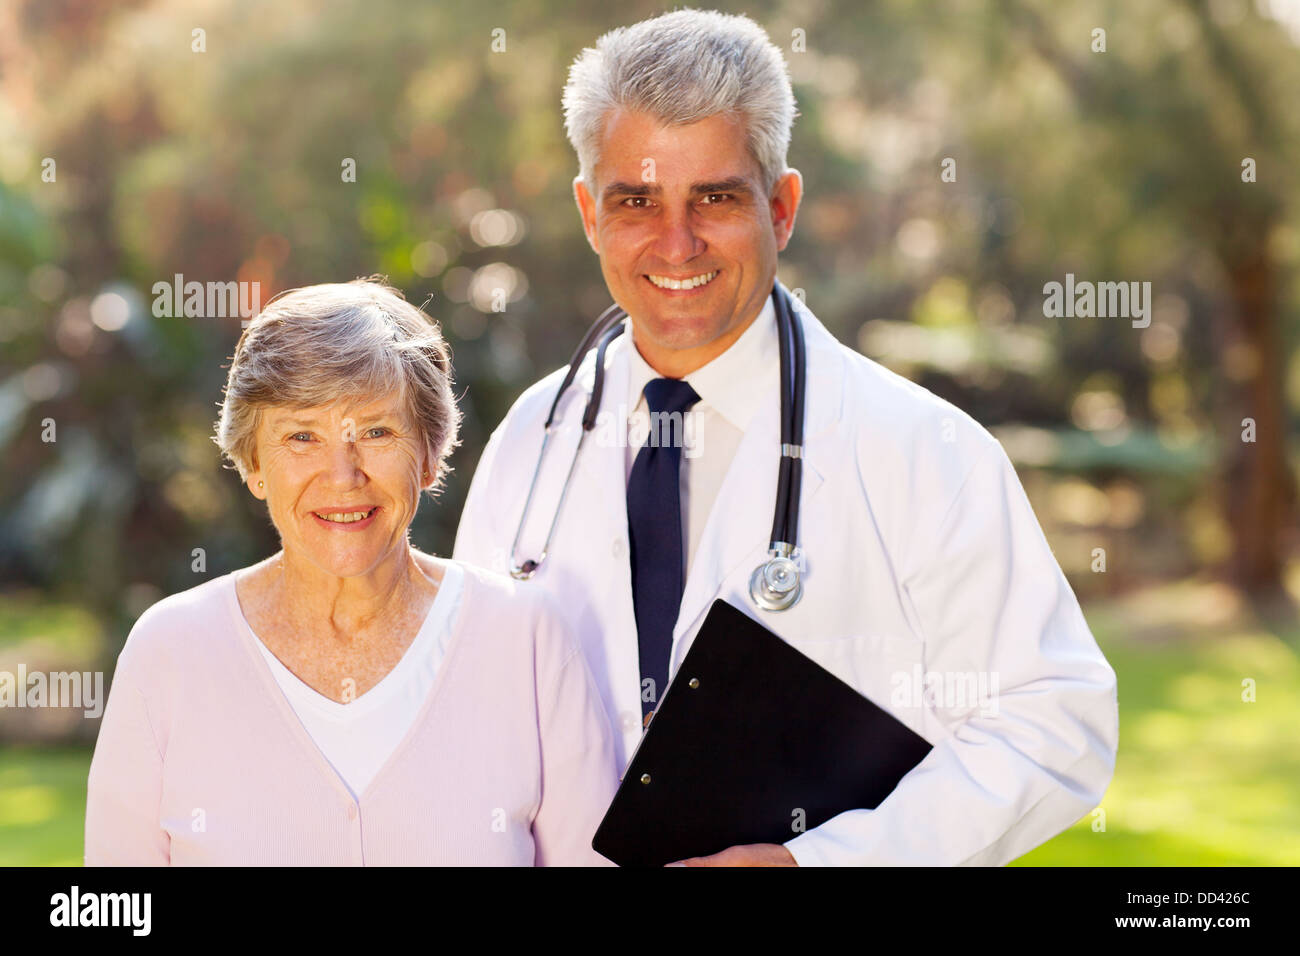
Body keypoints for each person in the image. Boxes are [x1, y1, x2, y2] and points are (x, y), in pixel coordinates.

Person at [453, 9, 1119, 866]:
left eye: (716, 198)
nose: (676, 243)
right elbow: (471, 718)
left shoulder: (923, 451)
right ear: (590, 213)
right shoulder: (533, 440)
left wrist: (826, 862)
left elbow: (1053, 718)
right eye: (637, 202)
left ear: (782, 206)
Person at [85, 278, 618, 866]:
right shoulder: (169, 651)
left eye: (376, 432)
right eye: (302, 436)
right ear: (254, 462)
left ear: (430, 455)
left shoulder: (528, 640)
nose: (343, 476)